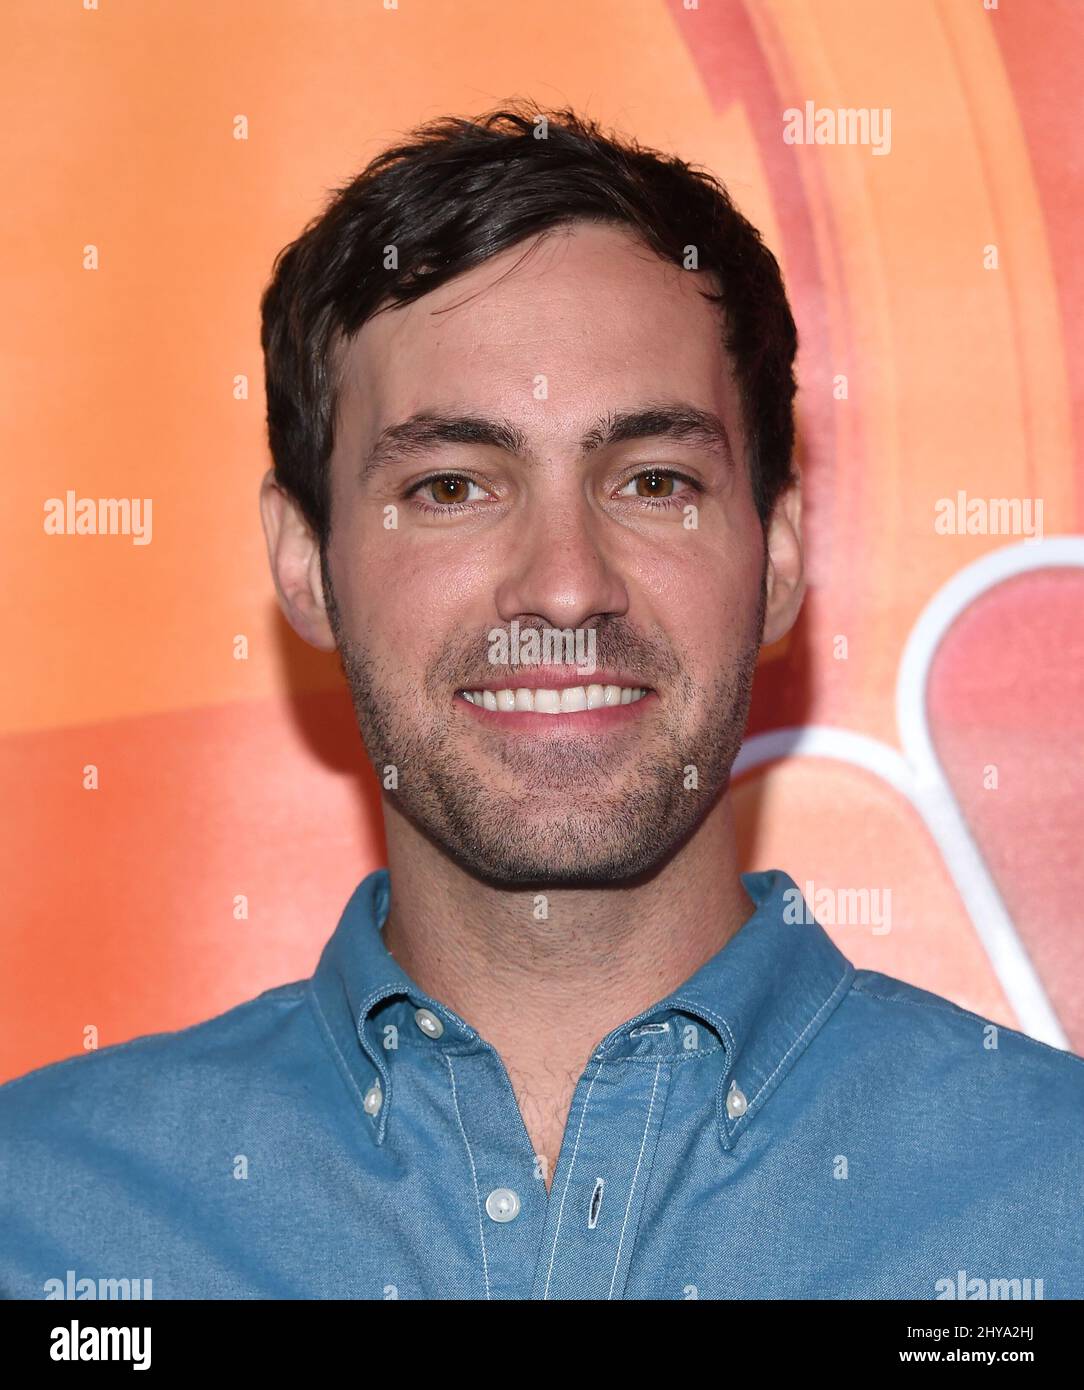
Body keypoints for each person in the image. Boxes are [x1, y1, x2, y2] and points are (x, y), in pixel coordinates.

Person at [2, 103, 1081, 1301]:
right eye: (455, 484)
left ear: (776, 558)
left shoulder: (1053, 1204)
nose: (565, 585)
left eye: (653, 479)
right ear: (305, 560)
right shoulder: (40, 1222)